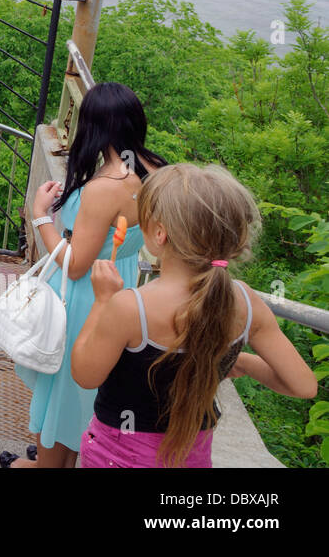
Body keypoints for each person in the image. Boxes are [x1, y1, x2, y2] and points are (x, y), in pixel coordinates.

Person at [71, 164, 317, 467]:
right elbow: (304, 386)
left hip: (118, 457)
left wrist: (102, 301)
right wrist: (245, 361)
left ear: (159, 233)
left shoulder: (129, 306)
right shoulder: (245, 302)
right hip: (192, 457)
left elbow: (84, 375)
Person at [1, 81, 166, 468]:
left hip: (87, 294)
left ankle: (48, 463)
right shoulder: (156, 169)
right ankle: (65, 455)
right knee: (91, 392)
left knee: (66, 387)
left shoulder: (105, 186)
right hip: (122, 280)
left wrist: (41, 215)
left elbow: (75, 264)